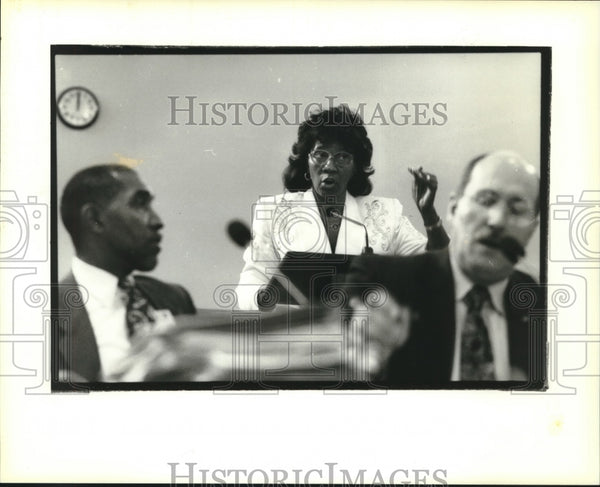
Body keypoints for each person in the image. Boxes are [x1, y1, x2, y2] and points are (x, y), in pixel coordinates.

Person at [346, 150, 545, 384]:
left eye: (517, 209)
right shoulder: (384, 283)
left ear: (532, 229)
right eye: (486, 200)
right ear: (453, 209)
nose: (497, 220)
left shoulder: (538, 303)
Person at [236, 105, 449, 310]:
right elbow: (250, 281)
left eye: (342, 157)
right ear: (306, 161)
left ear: (356, 166)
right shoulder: (275, 211)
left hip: (367, 337)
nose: (329, 165)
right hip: (297, 337)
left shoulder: (385, 213)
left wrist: (429, 214)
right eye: (320, 154)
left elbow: (436, 268)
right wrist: (264, 299)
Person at [56, 164, 196, 382]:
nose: (157, 221)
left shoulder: (175, 299)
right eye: (140, 204)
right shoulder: (41, 314)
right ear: (95, 218)